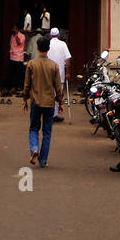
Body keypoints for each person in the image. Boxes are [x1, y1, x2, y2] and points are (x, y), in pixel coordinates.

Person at [22, 35, 63, 168]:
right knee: (47, 132)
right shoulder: (54, 66)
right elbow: (58, 87)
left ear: (38, 48)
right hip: (49, 103)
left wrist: (24, 99)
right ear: (48, 48)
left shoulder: (31, 64)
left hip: (36, 102)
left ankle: (34, 148)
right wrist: (60, 102)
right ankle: (43, 160)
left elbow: (27, 85)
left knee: (33, 128)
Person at [47, 27, 71, 122]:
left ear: (50, 35)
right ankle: (54, 114)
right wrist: (68, 72)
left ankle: (51, 115)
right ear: (59, 35)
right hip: (60, 73)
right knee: (58, 94)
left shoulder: (47, 43)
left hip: (48, 73)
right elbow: (67, 60)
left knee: (49, 93)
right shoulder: (63, 44)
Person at [8, 23, 26, 94]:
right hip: (12, 56)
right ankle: (13, 87)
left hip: (18, 57)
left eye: (14, 28)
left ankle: (18, 88)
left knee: (18, 74)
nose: (13, 30)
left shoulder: (22, 36)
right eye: (13, 28)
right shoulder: (12, 36)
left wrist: (16, 35)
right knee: (12, 73)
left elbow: (19, 43)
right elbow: (10, 44)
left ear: (17, 29)